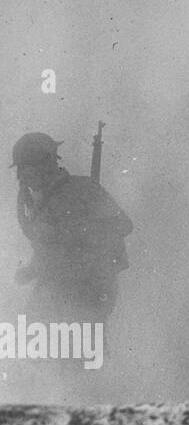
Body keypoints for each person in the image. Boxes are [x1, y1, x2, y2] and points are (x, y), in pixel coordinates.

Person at [12, 132, 132, 318]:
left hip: (89, 286)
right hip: (57, 285)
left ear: (44, 165)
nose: (23, 178)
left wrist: (76, 232)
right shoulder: (40, 203)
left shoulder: (82, 189)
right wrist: (31, 270)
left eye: (26, 170)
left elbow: (123, 224)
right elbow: (48, 249)